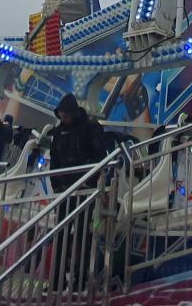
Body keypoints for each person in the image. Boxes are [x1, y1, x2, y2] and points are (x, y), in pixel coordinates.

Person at [46, 95, 110, 290]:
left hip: (83, 190)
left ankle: (79, 281)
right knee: (61, 235)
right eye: (61, 116)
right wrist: (57, 186)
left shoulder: (89, 129)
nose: (63, 119)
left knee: (82, 236)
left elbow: (99, 157)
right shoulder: (59, 133)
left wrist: (88, 183)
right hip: (65, 191)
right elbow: (54, 161)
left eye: (65, 116)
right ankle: (57, 281)